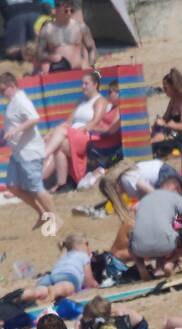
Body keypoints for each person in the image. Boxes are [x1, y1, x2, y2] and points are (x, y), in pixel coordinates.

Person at [111, 171, 182, 277]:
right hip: (165, 244)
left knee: (147, 235)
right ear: (176, 188)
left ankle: (143, 267)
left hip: (140, 248)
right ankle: (170, 263)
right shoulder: (174, 197)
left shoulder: (144, 200)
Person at [1, 71, 55, 229]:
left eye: (2, 90)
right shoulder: (13, 101)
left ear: (11, 86)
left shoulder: (21, 100)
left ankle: (55, 218)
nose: (1, 93)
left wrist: (16, 130)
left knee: (36, 188)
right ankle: (42, 213)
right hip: (18, 153)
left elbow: (34, 118)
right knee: (11, 185)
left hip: (29, 152)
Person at [41, 69, 105, 189]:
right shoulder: (81, 100)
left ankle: (43, 155)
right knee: (58, 143)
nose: (83, 86)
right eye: (82, 83)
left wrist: (78, 130)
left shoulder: (100, 101)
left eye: (86, 84)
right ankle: (60, 184)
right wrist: (51, 132)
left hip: (87, 136)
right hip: (72, 135)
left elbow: (95, 122)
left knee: (60, 132)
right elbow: (69, 122)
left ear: (95, 85)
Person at [18, 232, 94, 306]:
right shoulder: (83, 256)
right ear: (84, 244)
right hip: (69, 276)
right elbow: (88, 280)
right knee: (67, 286)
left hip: (50, 277)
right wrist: (94, 284)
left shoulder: (64, 256)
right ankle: (54, 291)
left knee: (42, 290)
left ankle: (30, 294)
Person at [37, 0, 93, 72]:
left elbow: (91, 48)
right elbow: (39, 54)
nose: (69, 13)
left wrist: (89, 64)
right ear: (56, 10)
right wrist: (51, 58)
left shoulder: (80, 27)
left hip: (79, 70)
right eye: (66, 10)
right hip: (58, 72)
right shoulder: (47, 29)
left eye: (71, 10)